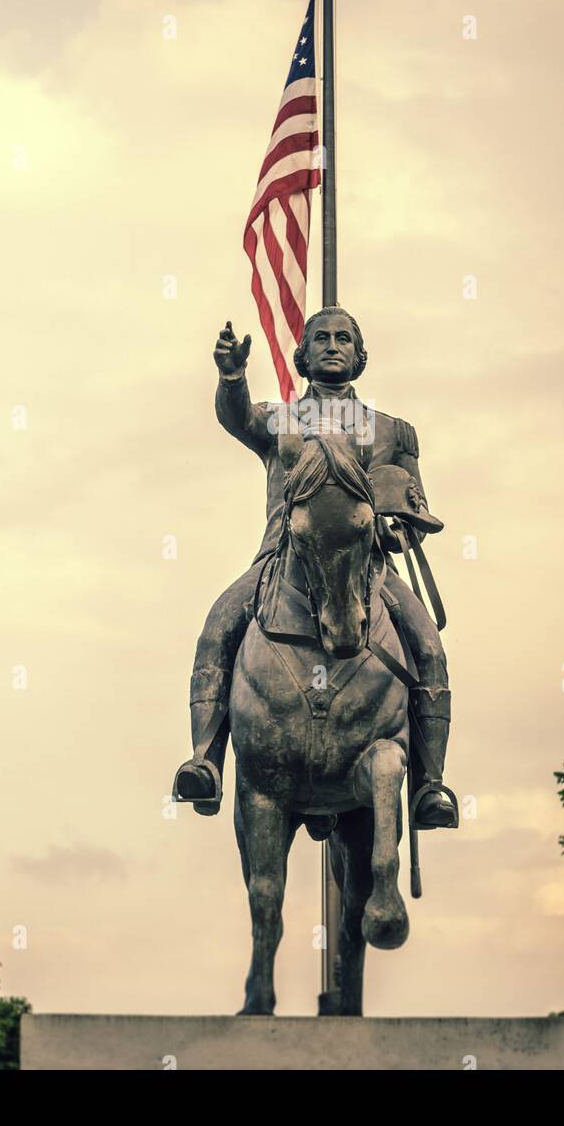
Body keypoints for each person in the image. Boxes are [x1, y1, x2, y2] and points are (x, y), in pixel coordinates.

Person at [172, 307, 456, 829]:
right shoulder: (280, 421)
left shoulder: (393, 431)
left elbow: (415, 510)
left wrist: (397, 530)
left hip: (366, 567)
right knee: (217, 627)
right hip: (281, 557)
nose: (332, 345)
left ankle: (430, 783)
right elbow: (235, 417)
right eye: (321, 338)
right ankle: (206, 759)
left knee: (428, 646)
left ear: (360, 355)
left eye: (344, 338)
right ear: (303, 355)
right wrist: (231, 377)